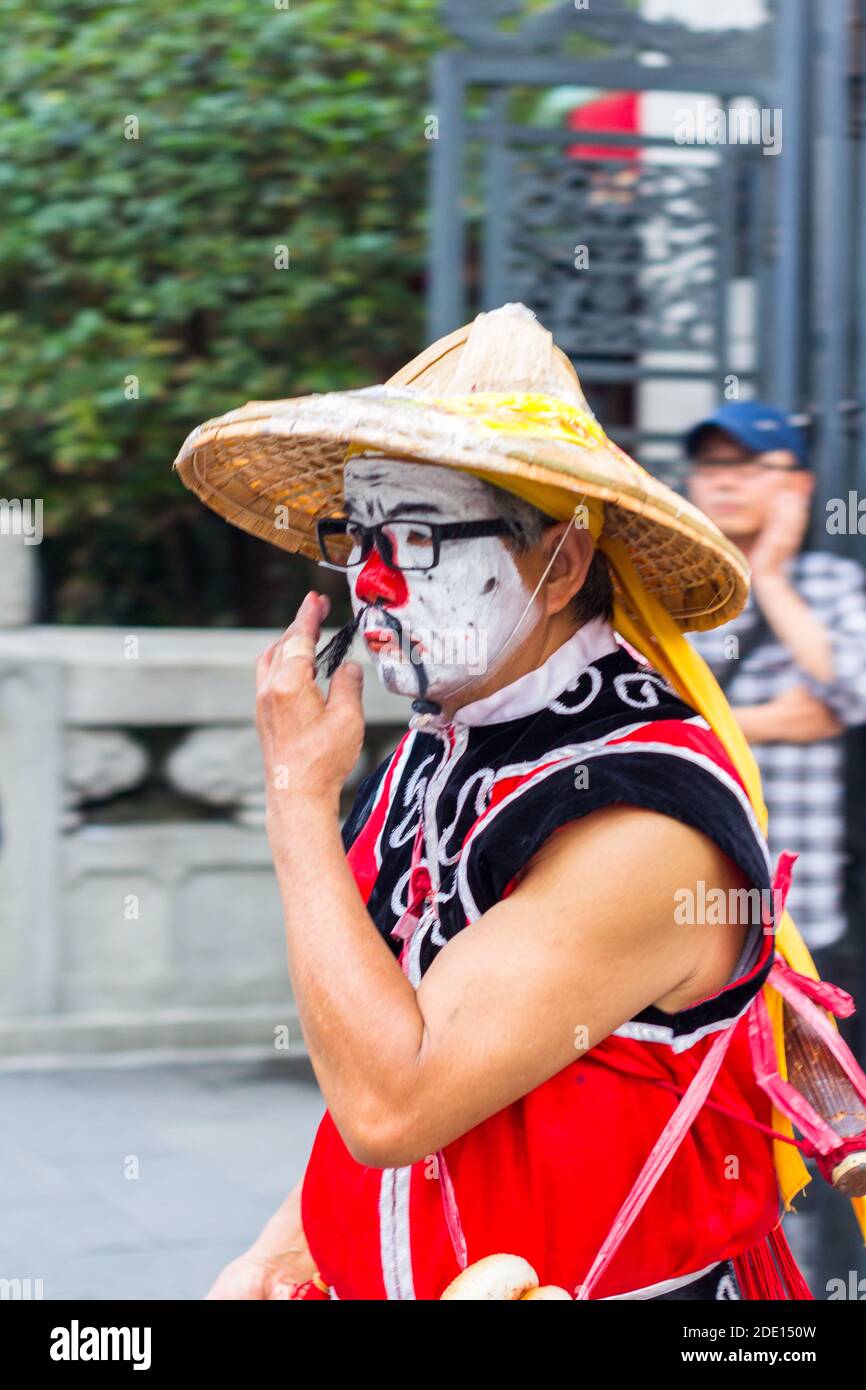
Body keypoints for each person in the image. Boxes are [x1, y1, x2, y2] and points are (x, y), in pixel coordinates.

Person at [173, 303, 866, 1301]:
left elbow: (394, 1101)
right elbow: (377, 1024)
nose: (369, 581)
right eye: (356, 536)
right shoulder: (442, 742)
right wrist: (286, 1245)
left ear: (560, 564)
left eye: (414, 539)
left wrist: (293, 793)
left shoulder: (641, 822)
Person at [684, 399, 866, 1293]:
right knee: (700, 1139)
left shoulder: (827, 585)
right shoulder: (667, 591)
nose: (722, 478)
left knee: (837, 1141)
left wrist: (779, 577)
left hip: (805, 926)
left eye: (749, 465)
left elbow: (852, 693)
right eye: (709, 463)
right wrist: (780, 719)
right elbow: (647, 723)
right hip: (684, 920)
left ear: (796, 486)